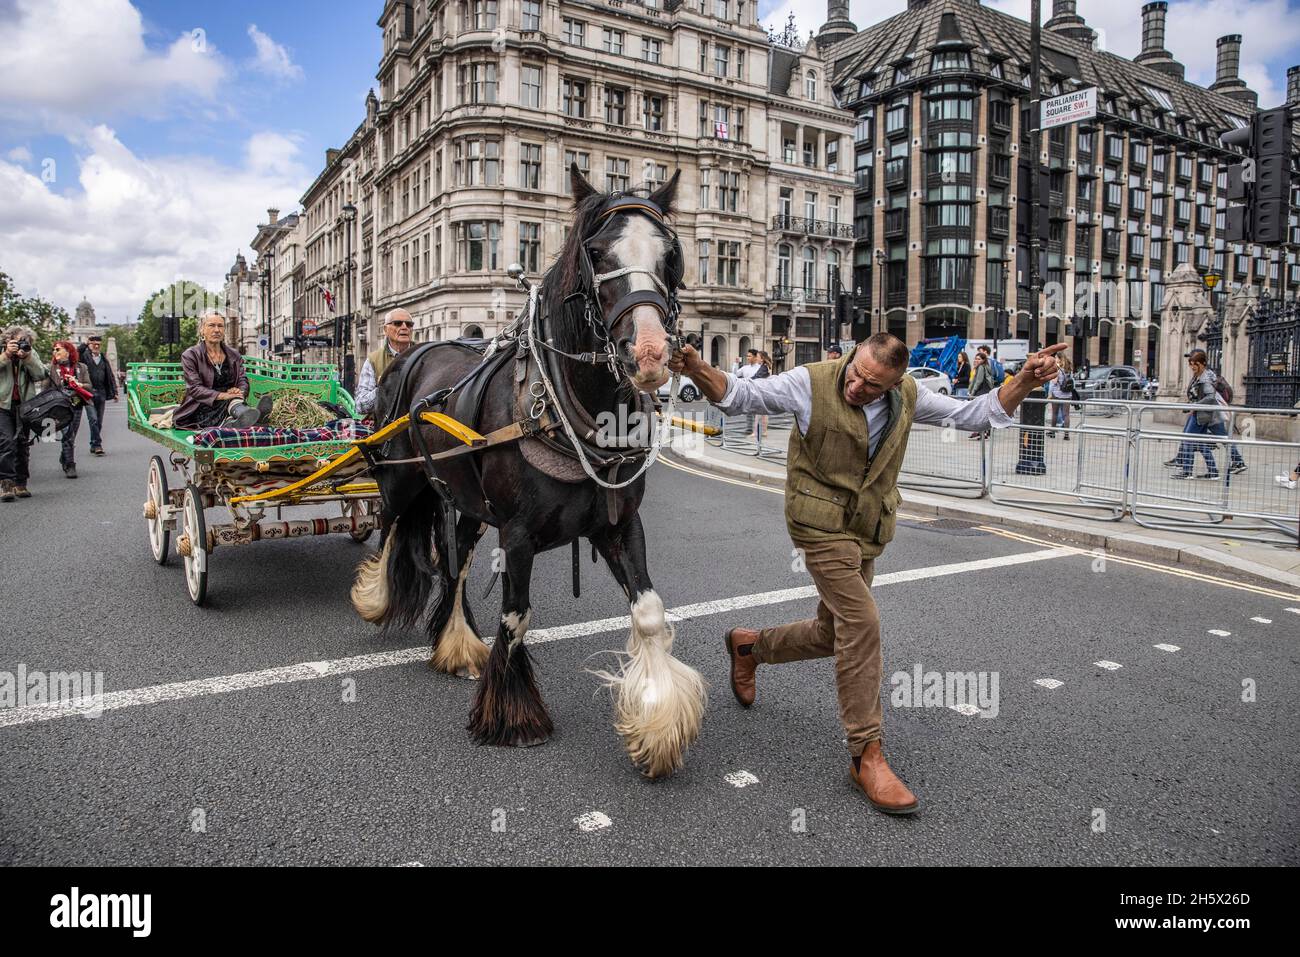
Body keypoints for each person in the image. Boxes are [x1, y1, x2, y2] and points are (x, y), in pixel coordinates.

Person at [669, 333, 1066, 816]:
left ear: (896, 382)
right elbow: (741, 396)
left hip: (866, 527)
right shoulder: (808, 382)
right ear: (853, 356)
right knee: (862, 624)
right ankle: (865, 754)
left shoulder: (910, 396)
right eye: (856, 373)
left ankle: (750, 646)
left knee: (833, 633)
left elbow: (974, 414)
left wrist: (1023, 378)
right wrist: (694, 367)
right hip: (817, 526)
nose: (857, 386)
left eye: (873, 385)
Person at [173, 313, 260, 430]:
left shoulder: (234, 355)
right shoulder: (191, 355)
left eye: (220, 326)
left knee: (233, 401)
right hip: (201, 406)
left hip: (231, 400)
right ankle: (255, 418)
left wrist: (239, 391)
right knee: (232, 402)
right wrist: (222, 395)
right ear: (202, 330)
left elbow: (242, 380)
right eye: (211, 325)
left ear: (224, 330)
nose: (216, 330)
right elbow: (195, 389)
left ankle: (238, 420)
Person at [1171, 350, 1244, 480]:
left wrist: (1195, 405)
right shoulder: (1199, 375)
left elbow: (1210, 397)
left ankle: (1187, 471)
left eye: (1195, 364)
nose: (1192, 367)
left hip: (1203, 414)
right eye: (1191, 364)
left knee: (1188, 439)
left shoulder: (1205, 378)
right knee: (1200, 442)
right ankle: (1213, 471)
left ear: (1203, 364)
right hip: (1201, 412)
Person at [1, 326, 48, 502]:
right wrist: (7, 355)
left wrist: (27, 357)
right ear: (9, 339)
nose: (22, 344)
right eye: (19, 340)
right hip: (2, 405)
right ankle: (6, 483)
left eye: (25, 341)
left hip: (24, 406)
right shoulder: (2, 351)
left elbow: (41, 374)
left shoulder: (29, 352)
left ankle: (20, 483)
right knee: (6, 442)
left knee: (22, 443)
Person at [355, 308, 415, 418]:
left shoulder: (423, 356)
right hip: (385, 428)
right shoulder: (373, 359)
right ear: (385, 330)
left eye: (409, 324)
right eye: (397, 323)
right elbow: (360, 405)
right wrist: (385, 387)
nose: (404, 327)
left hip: (417, 425)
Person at [48, 341, 94, 479]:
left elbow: (89, 386)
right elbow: (46, 388)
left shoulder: (82, 367)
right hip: (60, 406)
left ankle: (64, 456)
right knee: (68, 433)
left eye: (58, 349)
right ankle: (70, 464)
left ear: (68, 352)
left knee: (71, 433)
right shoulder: (52, 368)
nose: (55, 352)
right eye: (54, 350)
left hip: (77, 404)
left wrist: (78, 384)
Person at [78, 335, 118, 456]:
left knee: (99, 421)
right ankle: (97, 445)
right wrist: (85, 344)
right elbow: (76, 353)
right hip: (88, 392)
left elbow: (110, 375)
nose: (96, 346)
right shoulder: (84, 357)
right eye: (93, 344)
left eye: (98, 344)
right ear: (89, 345)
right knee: (93, 419)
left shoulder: (103, 359)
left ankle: (93, 443)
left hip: (101, 392)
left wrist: (115, 392)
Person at [1047, 354, 1074, 441]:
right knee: (1066, 414)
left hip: (1057, 394)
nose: (1055, 359)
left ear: (1059, 359)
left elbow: (1054, 382)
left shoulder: (1057, 369)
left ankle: (1053, 432)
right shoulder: (1069, 369)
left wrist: (1049, 394)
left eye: (1055, 357)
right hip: (1067, 394)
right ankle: (1066, 434)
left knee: (1054, 413)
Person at [968, 353, 995, 439]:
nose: (976, 360)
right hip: (986, 391)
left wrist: (972, 392)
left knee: (980, 413)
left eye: (979, 359)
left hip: (981, 392)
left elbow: (978, 381)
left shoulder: (981, 367)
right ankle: (984, 432)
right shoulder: (986, 366)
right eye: (976, 358)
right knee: (984, 413)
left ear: (983, 360)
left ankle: (982, 432)